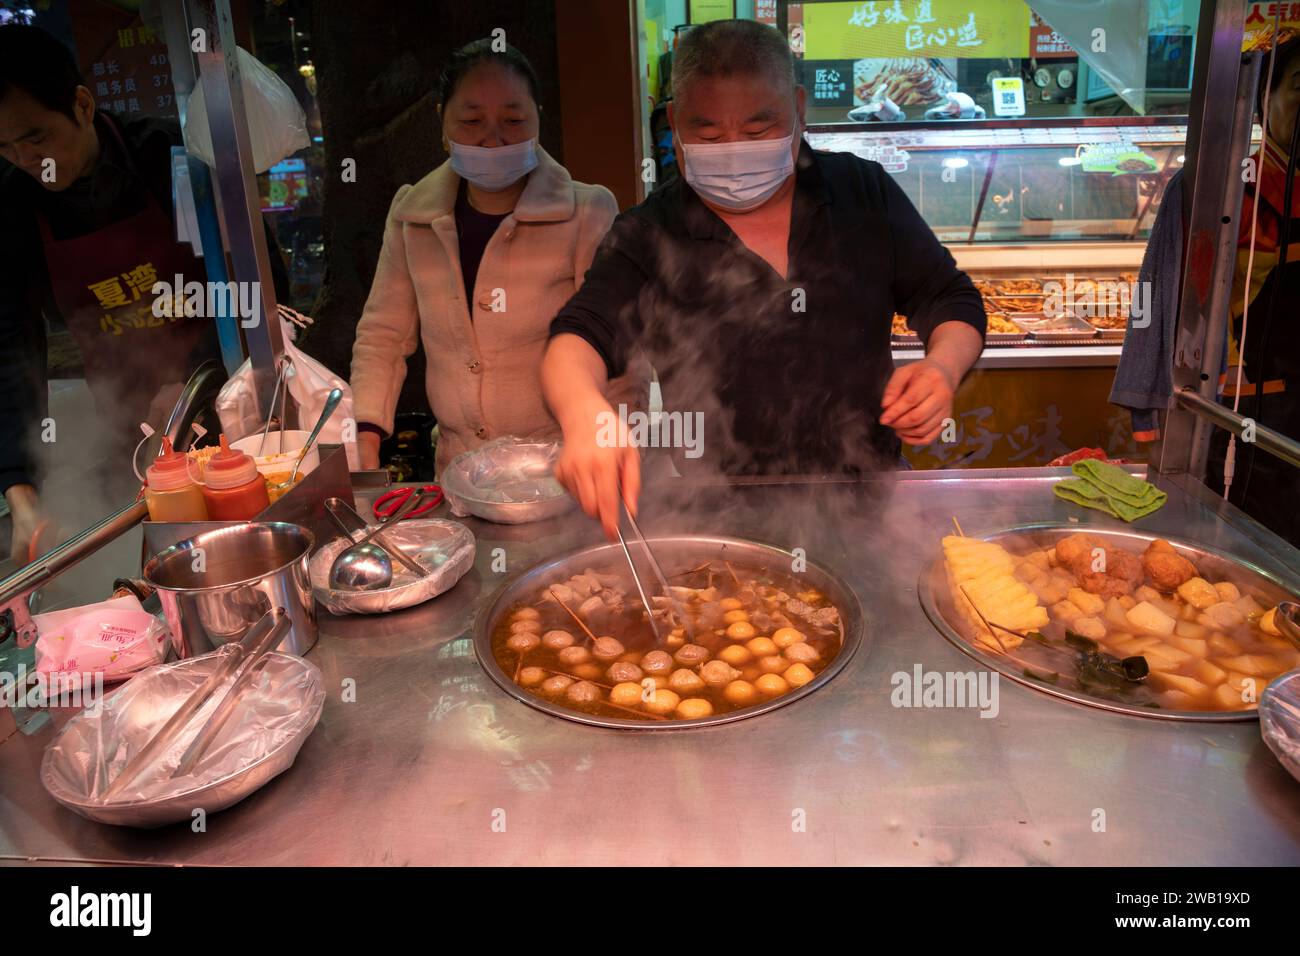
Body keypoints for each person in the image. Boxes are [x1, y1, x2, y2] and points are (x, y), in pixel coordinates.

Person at [542, 19, 986, 538]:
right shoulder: (649, 231)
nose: (733, 149)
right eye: (707, 132)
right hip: (718, 511)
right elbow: (577, 338)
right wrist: (583, 414)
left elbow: (949, 297)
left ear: (799, 109)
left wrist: (942, 367)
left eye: (757, 130)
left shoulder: (861, 191)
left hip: (869, 497)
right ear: (675, 122)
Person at [349, 39, 646, 474]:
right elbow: (383, 334)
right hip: (459, 467)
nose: (493, 139)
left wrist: (611, 436)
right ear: (442, 123)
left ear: (538, 121)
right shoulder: (413, 214)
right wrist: (365, 438)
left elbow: (620, 342)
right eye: (471, 121)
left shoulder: (587, 211)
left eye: (513, 119)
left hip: (564, 465)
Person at [0, 24, 223, 563]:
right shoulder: (11, 206)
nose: (25, 159)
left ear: (80, 104)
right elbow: (9, 343)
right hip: (129, 431)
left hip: (230, 407)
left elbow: (251, 284)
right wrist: (19, 486)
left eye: (36, 137)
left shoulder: (167, 157)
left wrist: (193, 375)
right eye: (3, 146)